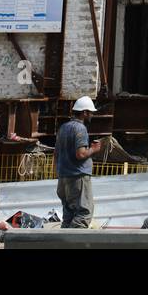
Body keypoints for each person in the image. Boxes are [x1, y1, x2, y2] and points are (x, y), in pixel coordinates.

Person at [56, 96, 102, 228]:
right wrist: (93, 149)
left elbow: (56, 153)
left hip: (63, 178)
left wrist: (59, 173)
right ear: (84, 112)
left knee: (68, 215)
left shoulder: (63, 128)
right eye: (90, 112)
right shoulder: (80, 129)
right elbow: (81, 154)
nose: (92, 115)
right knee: (83, 213)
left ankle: (63, 243)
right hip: (78, 178)